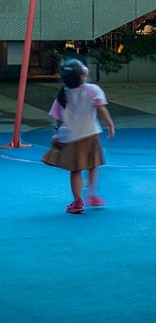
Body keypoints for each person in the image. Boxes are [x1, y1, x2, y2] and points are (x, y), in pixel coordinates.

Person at [42, 57, 116, 214]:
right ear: (82, 76)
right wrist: (110, 124)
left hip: (71, 137)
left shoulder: (63, 94)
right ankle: (92, 194)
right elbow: (101, 108)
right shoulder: (92, 90)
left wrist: (57, 133)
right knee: (92, 165)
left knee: (75, 170)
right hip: (90, 134)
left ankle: (77, 202)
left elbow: (59, 119)